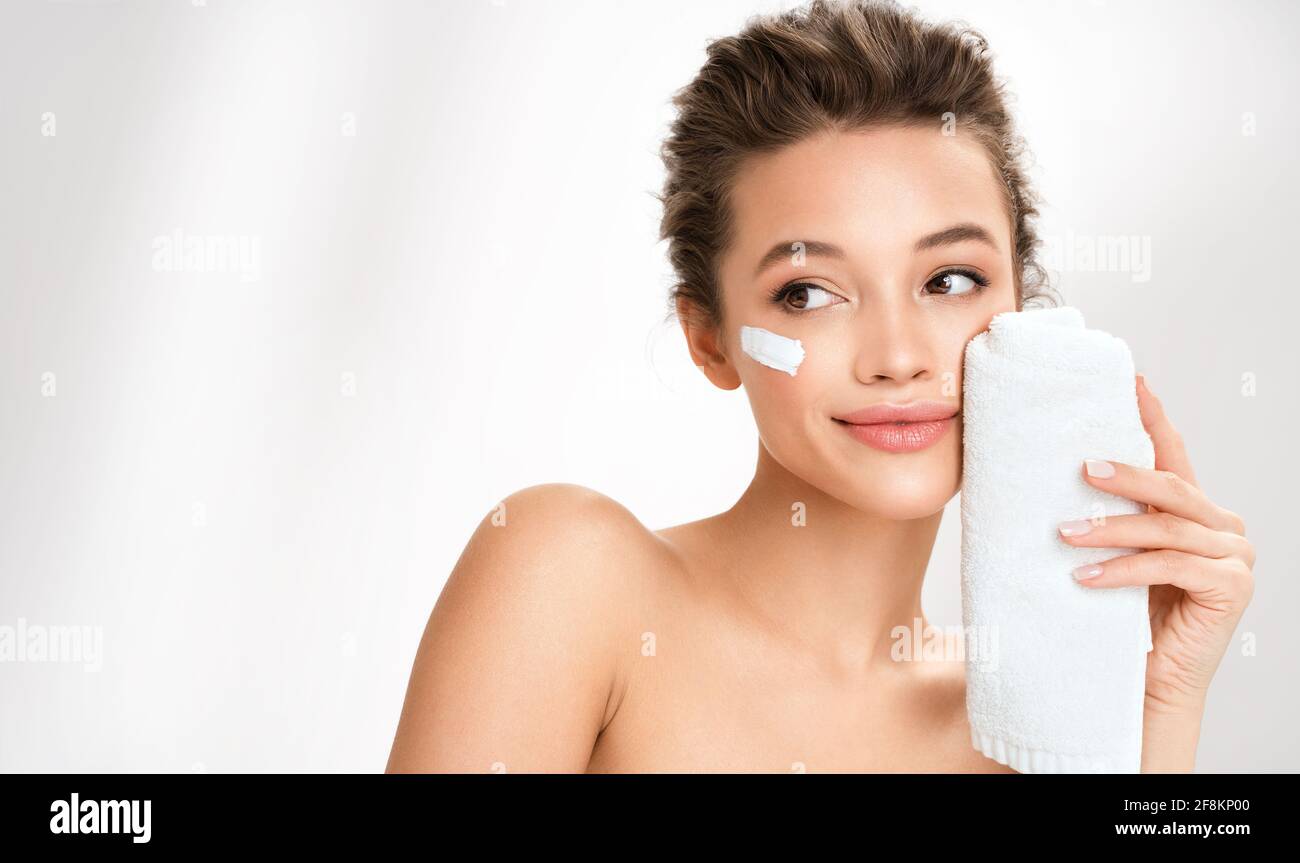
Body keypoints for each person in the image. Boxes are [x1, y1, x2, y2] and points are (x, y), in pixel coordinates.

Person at [386, 0, 1254, 773]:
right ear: (709, 338)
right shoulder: (572, 578)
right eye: (808, 292)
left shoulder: (1024, 729)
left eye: (949, 279)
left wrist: (1149, 711)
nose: (898, 354)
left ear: (1022, 310)